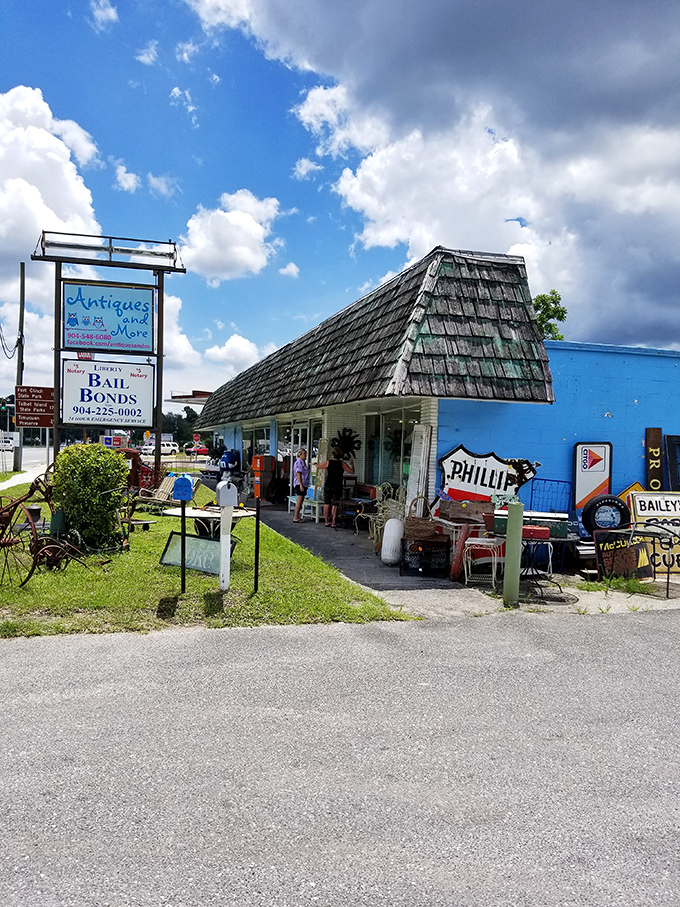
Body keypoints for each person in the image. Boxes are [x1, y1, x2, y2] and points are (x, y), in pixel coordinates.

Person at [317, 446, 354, 528]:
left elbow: (319, 467)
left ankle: (326, 521)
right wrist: (352, 465)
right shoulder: (342, 463)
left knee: (327, 503)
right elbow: (351, 472)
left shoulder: (328, 462)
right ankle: (333, 522)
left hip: (328, 484)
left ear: (333, 454)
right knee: (335, 504)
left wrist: (316, 464)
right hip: (337, 485)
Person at [292, 448, 310, 522]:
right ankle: (296, 517)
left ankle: (298, 516)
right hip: (300, 484)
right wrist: (301, 484)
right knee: (299, 500)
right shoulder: (299, 462)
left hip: (304, 483)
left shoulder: (303, 462)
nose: (305, 455)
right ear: (300, 454)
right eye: (304, 453)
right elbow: (298, 473)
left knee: (301, 500)